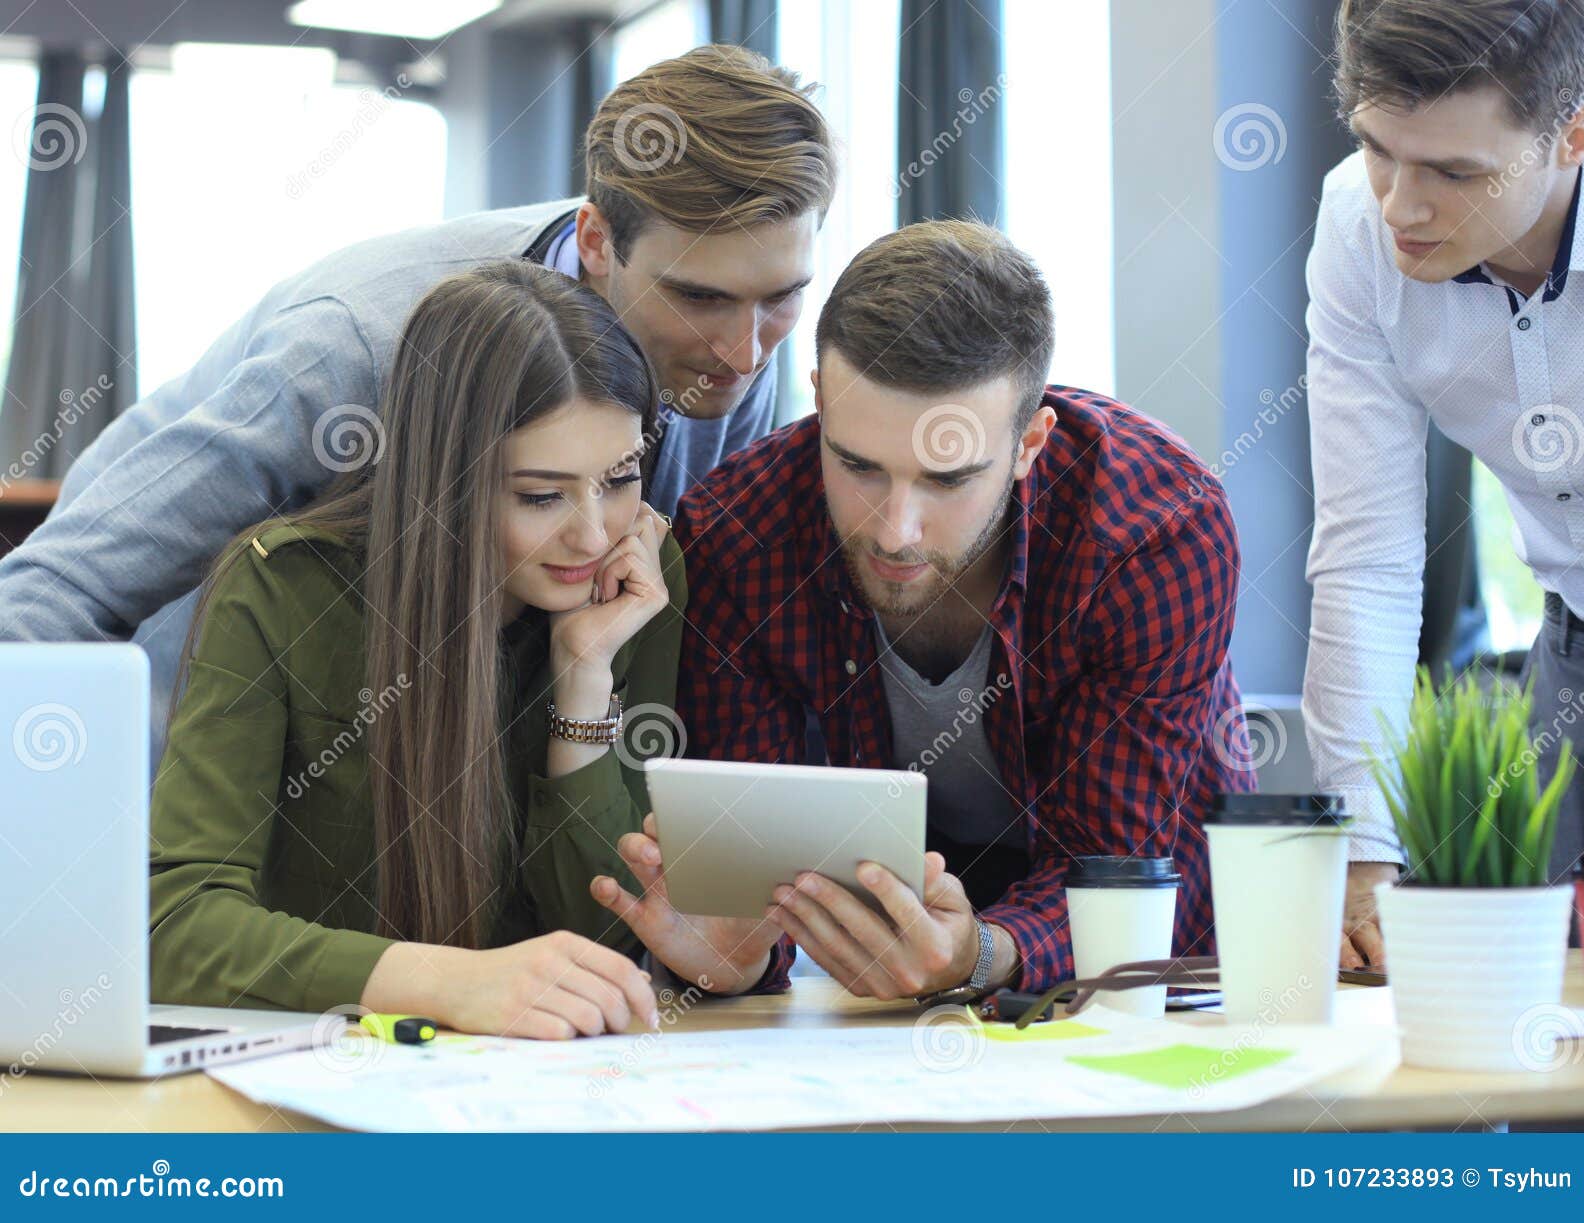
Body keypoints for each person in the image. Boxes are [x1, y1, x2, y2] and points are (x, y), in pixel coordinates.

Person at [0, 44, 836, 759]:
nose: (744, 351)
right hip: (176, 689)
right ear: (596, 241)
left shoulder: (736, 352)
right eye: (701, 299)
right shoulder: (361, 342)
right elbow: (51, 597)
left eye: (781, 298)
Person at [588, 221, 1254, 999]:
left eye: (947, 480)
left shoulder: (1156, 529)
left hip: (1161, 974)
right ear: (820, 399)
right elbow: (749, 871)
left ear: (1032, 441)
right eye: (858, 465)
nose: (895, 532)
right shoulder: (739, 533)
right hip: (874, 989)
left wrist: (982, 953)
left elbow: (1119, 873)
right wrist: (732, 957)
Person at [149, 261, 685, 1040]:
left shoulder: (637, 583)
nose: (595, 533)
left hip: (546, 1089)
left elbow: (608, 943)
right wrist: (449, 981)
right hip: (319, 1081)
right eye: (541, 495)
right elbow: (178, 929)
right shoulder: (282, 589)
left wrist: (583, 683)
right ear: (447, 479)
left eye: (621, 477)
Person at [1304, 0, 1584, 967]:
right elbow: (1369, 555)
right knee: (1527, 1040)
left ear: (1577, 136)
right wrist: (1363, 846)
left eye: (1456, 172)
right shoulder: (1359, 226)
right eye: (1381, 149)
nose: (1401, 205)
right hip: (1576, 652)